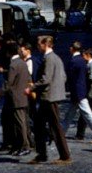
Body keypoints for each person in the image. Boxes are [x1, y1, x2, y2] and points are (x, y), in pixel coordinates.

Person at [25, 35, 71, 165]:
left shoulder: (49, 59)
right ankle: (42, 154)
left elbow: (46, 79)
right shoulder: (56, 58)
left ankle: (65, 155)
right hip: (50, 96)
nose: (38, 47)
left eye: (39, 44)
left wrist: (32, 88)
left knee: (55, 127)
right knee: (39, 126)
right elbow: (63, 77)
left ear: (46, 44)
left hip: (49, 97)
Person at [0, 41, 31, 157]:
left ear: (8, 53)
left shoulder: (13, 64)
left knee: (20, 124)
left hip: (16, 98)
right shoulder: (22, 63)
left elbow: (8, 84)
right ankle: (18, 146)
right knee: (19, 123)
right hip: (23, 96)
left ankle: (24, 146)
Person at [62, 41, 92, 144]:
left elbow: (70, 78)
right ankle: (61, 132)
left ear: (72, 49)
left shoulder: (73, 61)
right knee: (70, 114)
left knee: (87, 113)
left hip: (77, 91)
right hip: (81, 90)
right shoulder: (82, 61)